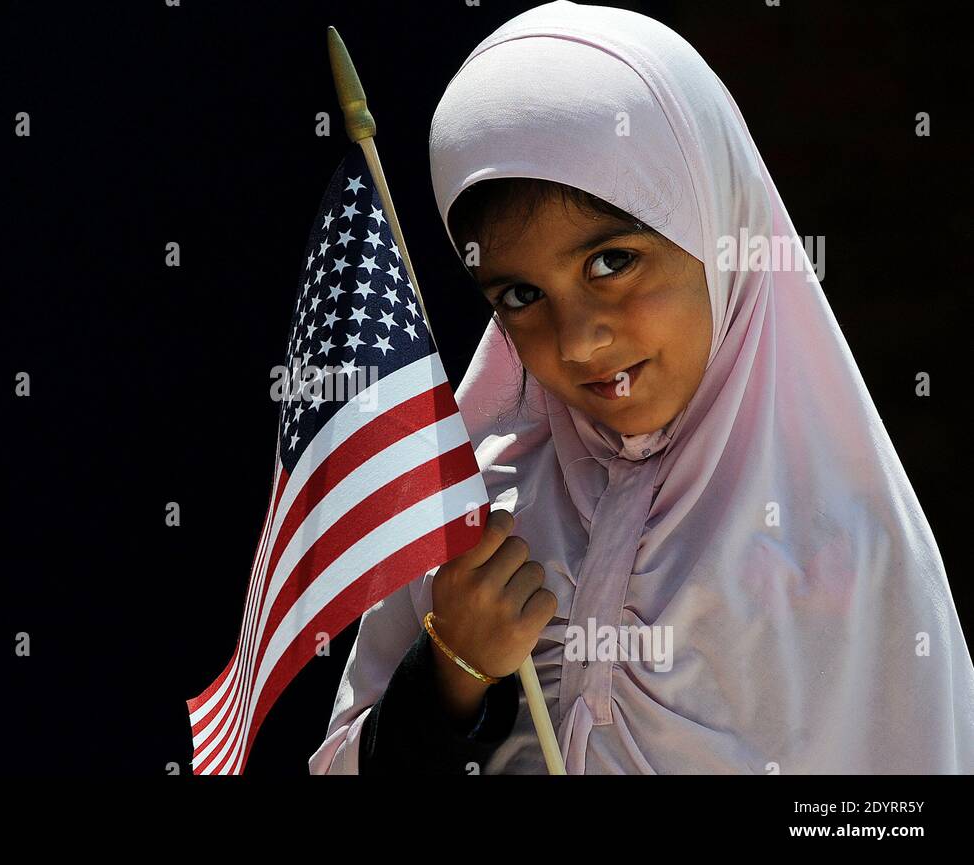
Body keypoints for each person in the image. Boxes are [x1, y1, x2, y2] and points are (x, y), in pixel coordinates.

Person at [307, 0, 974, 774]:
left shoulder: (848, 549)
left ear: (716, 226)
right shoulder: (476, 504)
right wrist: (452, 672)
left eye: (612, 262)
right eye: (520, 295)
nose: (580, 339)